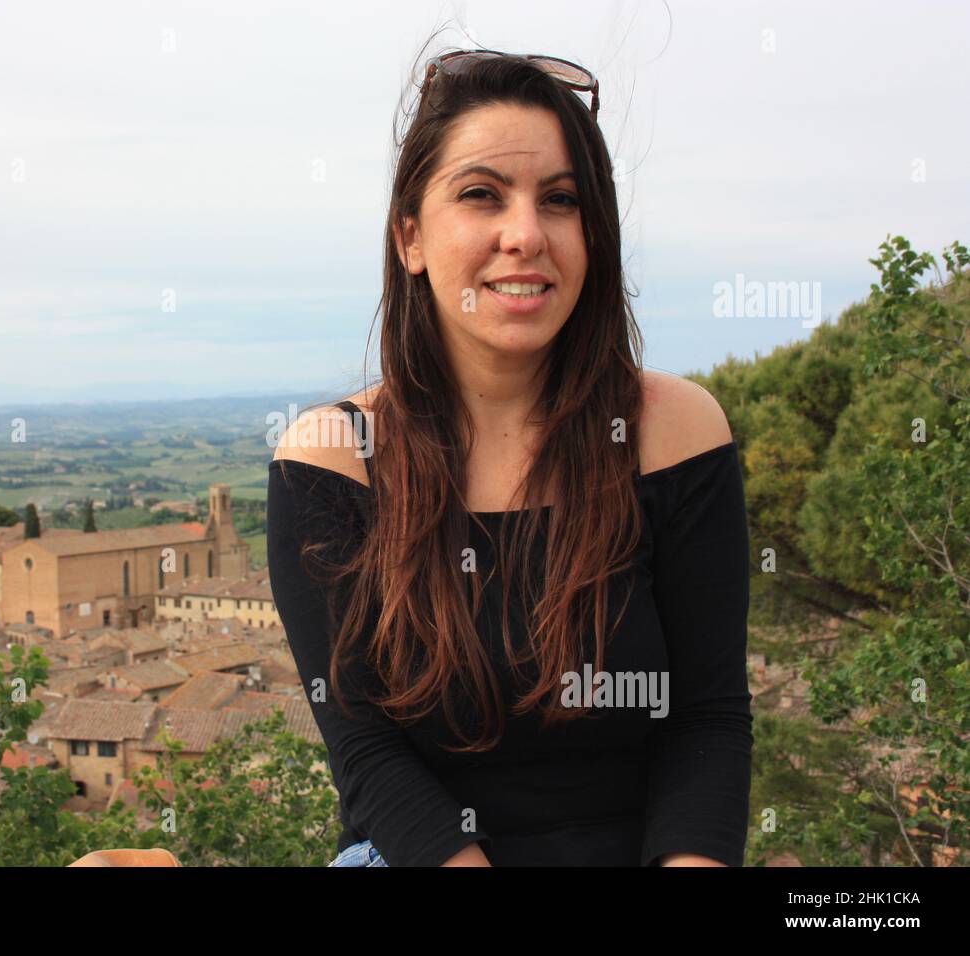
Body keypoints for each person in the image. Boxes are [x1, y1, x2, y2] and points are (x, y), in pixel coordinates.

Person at [267, 46, 753, 867]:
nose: (525, 235)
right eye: (482, 195)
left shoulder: (678, 431)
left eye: (560, 200)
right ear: (411, 237)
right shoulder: (332, 461)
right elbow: (368, 752)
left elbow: (707, 719)